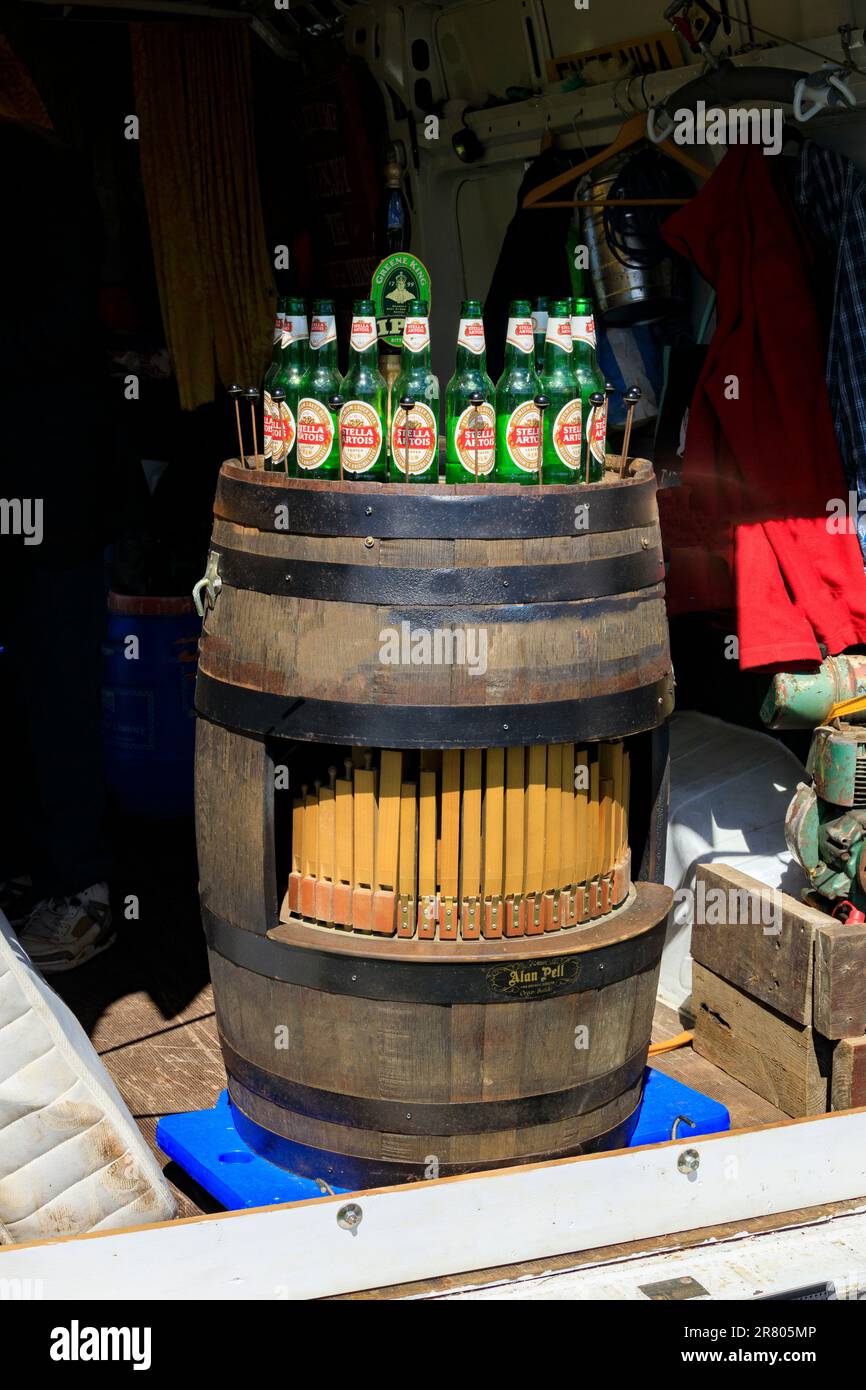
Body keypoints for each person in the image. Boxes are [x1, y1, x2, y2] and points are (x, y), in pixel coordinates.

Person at [0, 118, 121, 970]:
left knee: (57, 684)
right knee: (20, 684)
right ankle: (30, 869)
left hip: (49, 480)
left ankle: (85, 892)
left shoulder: (39, 169)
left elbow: (68, 318)